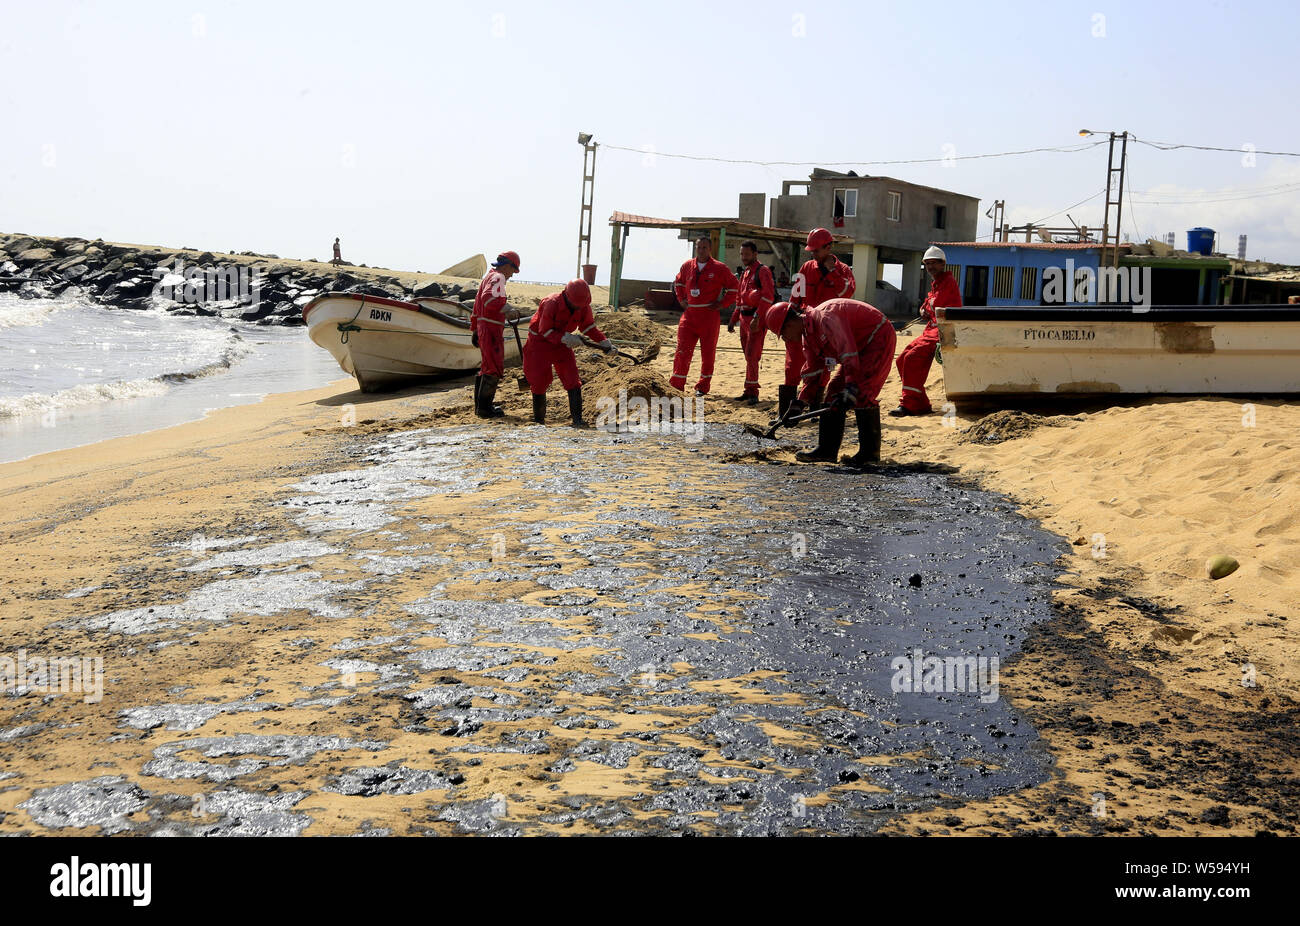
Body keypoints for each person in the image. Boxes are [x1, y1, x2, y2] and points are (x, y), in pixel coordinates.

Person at [764, 298, 896, 466]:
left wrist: (851, 388)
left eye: (782, 335)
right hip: (857, 350)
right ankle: (826, 451)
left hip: (877, 338)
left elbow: (847, 351)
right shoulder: (808, 336)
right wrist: (799, 403)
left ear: (789, 324)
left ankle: (869, 454)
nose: (785, 339)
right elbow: (814, 373)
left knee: (862, 392)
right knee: (833, 392)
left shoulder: (826, 318)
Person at [771, 227, 857, 424]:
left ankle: (815, 412)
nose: (813, 254)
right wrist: (787, 322)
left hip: (826, 331)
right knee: (792, 367)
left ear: (829, 247)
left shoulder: (843, 271)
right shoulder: (806, 268)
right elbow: (795, 297)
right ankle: (785, 413)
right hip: (800, 325)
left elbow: (847, 292)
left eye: (817, 250)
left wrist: (832, 272)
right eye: (812, 251)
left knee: (822, 370)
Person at [524, 279, 616, 426]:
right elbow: (544, 330)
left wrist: (604, 342)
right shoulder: (551, 303)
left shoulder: (583, 305)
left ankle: (577, 420)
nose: (578, 308)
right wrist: (565, 337)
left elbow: (588, 326)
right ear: (566, 296)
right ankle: (539, 421)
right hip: (539, 343)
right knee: (539, 381)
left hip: (562, 344)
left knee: (572, 379)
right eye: (576, 305)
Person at [890, 245, 961, 416]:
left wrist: (926, 308)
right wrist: (926, 308)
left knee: (913, 358)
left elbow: (933, 307)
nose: (930, 267)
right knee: (902, 359)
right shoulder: (938, 284)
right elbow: (928, 305)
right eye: (927, 264)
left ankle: (909, 404)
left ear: (943, 264)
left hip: (944, 330)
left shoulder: (948, 282)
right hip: (932, 330)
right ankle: (919, 402)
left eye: (934, 263)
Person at [670, 235, 738, 396]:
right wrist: (681, 300)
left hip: (709, 316)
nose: (701, 251)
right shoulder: (687, 266)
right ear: (696, 248)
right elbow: (678, 283)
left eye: (704, 248)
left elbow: (735, 287)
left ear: (710, 249)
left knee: (708, 353)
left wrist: (722, 304)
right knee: (682, 351)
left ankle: (702, 386)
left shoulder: (719, 268)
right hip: (689, 316)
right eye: (699, 247)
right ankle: (677, 384)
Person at [470, 250, 522, 418]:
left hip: (484, 326)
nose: (512, 276)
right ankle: (485, 409)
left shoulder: (489, 276)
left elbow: (477, 304)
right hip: (491, 328)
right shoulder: (498, 277)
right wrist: (507, 309)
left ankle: (480, 408)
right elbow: (488, 299)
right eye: (513, 271)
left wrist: (475, 328)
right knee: (493, 367)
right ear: (507, 266)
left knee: (486, 367)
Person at [727, 241, 774, 403]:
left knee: (752, 355)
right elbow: (739, 299)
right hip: (743, 320)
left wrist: (757, 317)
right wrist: (733, 319)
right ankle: (748, 389)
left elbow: (768, 296)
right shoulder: (745, 273)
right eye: (741, 254)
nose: (743, 257)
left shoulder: (763, 271)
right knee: (748, 356)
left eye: (746, 254)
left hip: (756, 320)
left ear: (755, 254)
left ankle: (753, 392)